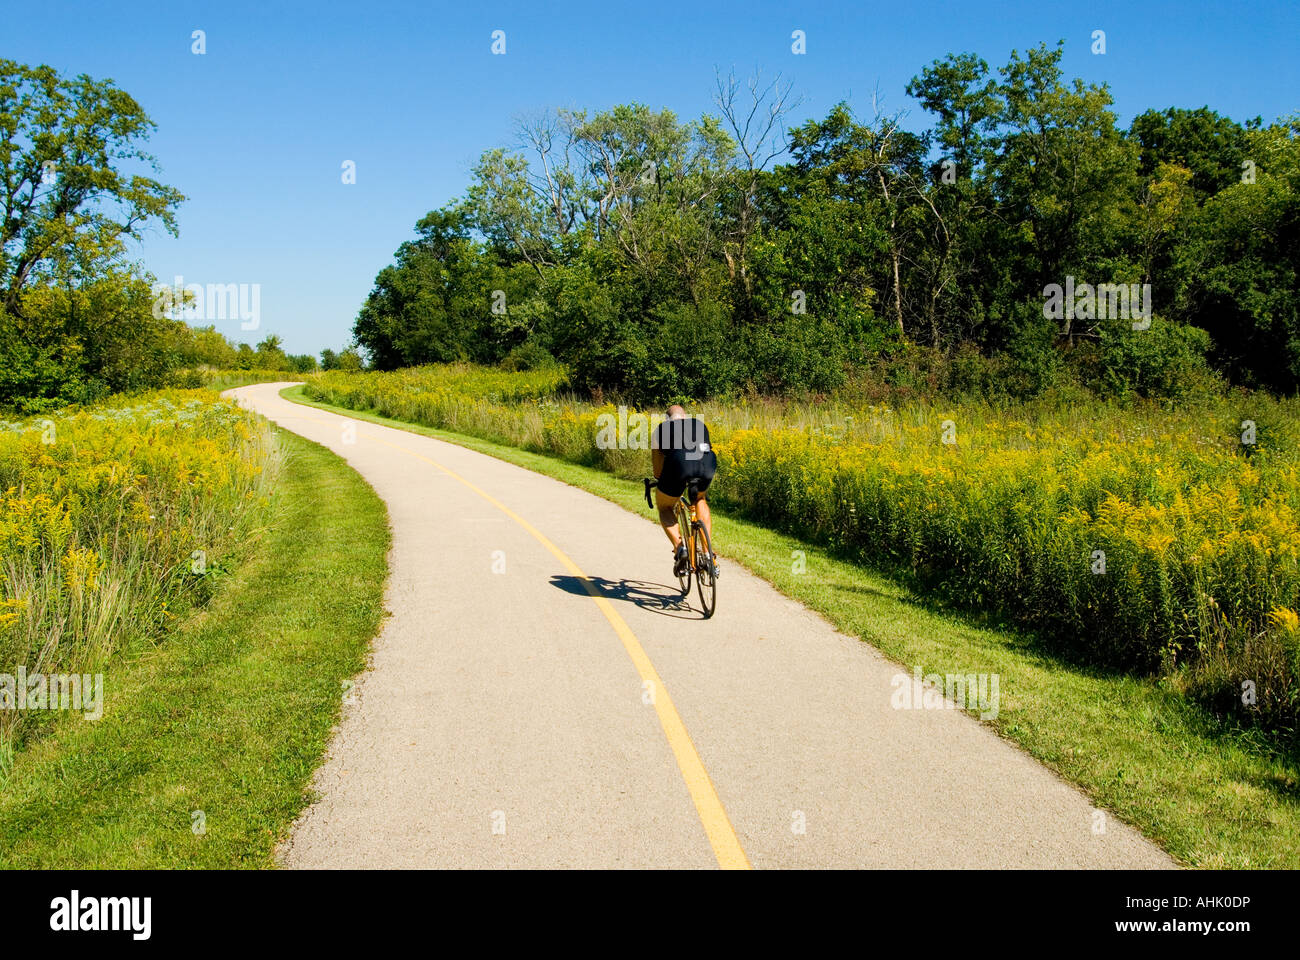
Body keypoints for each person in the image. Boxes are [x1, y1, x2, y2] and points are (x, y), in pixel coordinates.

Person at [651, 404, 718, 576]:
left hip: (679, 464)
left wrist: (667, 481)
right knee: (700, 499)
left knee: (664, 506)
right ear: (685, 416)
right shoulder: (699, 424)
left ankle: (680, 548)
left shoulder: (661, 430)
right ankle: (707, 553)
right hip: (707, 462)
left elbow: (657, 472)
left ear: (667, 419)